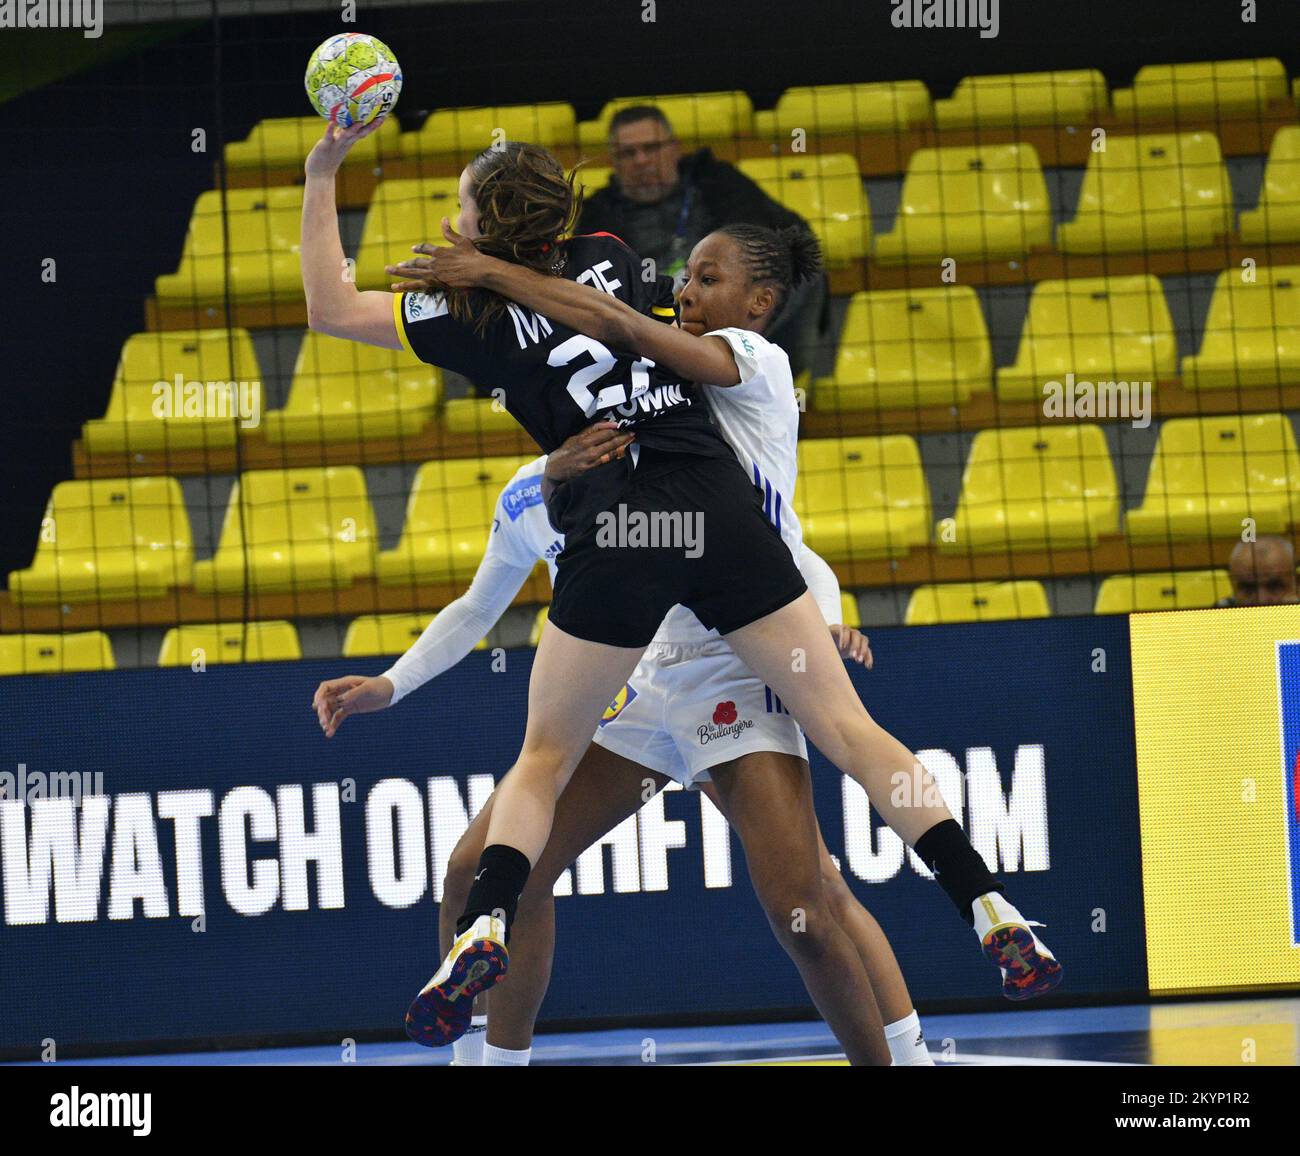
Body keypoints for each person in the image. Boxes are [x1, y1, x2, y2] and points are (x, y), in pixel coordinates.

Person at [302, 121, 1059, 1052]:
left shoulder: (743, 356)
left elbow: (334, 308)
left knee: (802, 898)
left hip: (674, 599)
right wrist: (551, 468)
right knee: (845, 746)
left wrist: (333, 174)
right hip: (689, 576)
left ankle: (489, 928)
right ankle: (979, 893)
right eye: (687, 279)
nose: (687, 291)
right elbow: (621, 334)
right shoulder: (618, 260)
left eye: (705, 280)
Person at [313, 438, 932, 1067]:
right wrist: (389, 685)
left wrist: (822, 622)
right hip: (623, 704)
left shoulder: (679, 457)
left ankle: (910, 1061)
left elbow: (794, 549)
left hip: (715, 680)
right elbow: (477, 607)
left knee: (812, 896)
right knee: (480, 870)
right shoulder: (530, 494)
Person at [580, 105, 828, 380]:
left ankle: (744, 370)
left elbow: (788, 245)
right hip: (654, 329)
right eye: (628, 153)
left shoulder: (720, 183)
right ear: (613, 161)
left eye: (651, 148)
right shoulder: (596, 217)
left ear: (674, 148)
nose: (641, 160)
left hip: (742, 318)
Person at [1215, 536, 1299, 607]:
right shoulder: (1218, 616)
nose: (1261, 600)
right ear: (1232, 584)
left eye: (1274, 586)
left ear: (1297, 583)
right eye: (1248, 588)